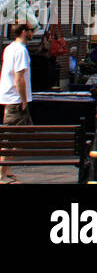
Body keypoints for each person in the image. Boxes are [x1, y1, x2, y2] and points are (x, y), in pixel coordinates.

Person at [1, 22, 35, 183]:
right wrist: (23, 100)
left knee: (19, 137)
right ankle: (2, 173)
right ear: (23, 32)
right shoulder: (21, 51)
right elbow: (19, 76)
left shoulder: (9, 48)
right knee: (12, 140)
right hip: (16, 100)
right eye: (30, 30)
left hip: (11, 98)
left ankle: (5, 171)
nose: (33, 33)